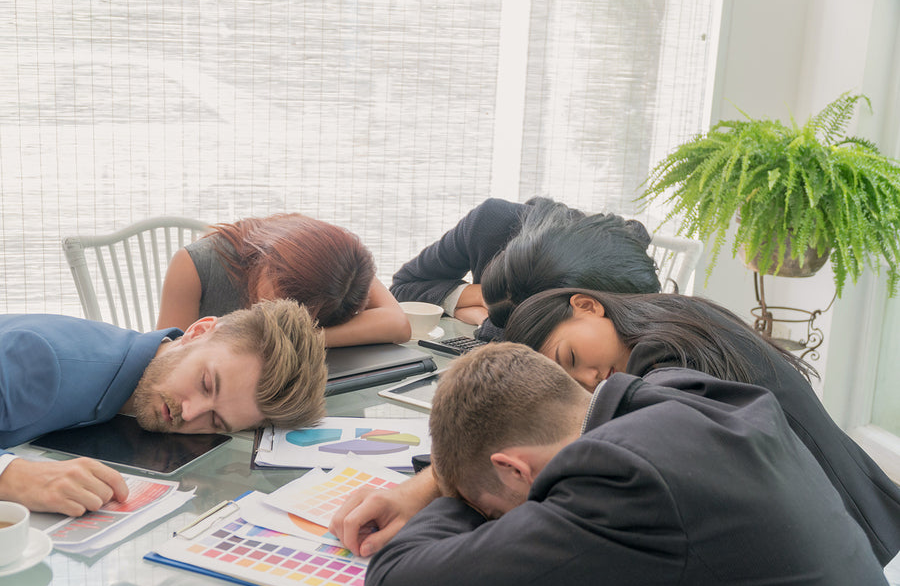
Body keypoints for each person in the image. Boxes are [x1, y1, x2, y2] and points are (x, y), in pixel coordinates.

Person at [364, 343, 892, 586]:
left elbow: (396, 583)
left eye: (491, 515)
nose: (498, 524)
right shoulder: (680, 393)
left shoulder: (617, 479)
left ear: (514, 470)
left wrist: (452, 494)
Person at [502, 288, 900, 566]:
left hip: (840, 533)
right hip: (859, 504)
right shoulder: (673, 316)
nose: (587, 379)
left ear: (587, 305)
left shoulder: (666, 368)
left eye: (571, 356)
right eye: (570, 381)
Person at [0, 298, 327, 517]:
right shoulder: (39, 361)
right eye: (206, 383)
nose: (190, 412)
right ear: (197, 331)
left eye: (215, 420)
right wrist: (13, 476)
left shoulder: (131, 381)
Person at [389, 197, 660, 340]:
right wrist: (482, 298)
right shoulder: (491, 223)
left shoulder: (619, 282)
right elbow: (402, 288)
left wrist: (487, 321)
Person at [157, 213, 410, 347]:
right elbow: (163, 361)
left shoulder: (340, 265)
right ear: (269, 257)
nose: (271, 309)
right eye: (275, 293)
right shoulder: (195, 266)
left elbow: (397, 323)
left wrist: (298, 336)